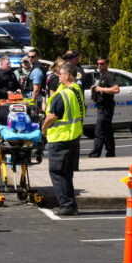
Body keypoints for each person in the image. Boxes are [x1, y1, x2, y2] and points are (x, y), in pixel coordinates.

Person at [42, 63, 86, 216]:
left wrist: (44, 128)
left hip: (60, 137)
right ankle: (70, 204)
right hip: (73, 136)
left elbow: (52, 115)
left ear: (67, 75)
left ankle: (66, 205)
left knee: (58, 172)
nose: (58, 76)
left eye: (60, 73)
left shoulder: (64, 94)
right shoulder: (77, 90)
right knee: (66, 173)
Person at [88, 57, 120, 158]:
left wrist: (101, 89)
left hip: (106, 107)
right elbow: (96, 88)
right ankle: (110, 152)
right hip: (100, 106)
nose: (99, 66)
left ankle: (95, 153)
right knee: (107, 131)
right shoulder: (99, 77)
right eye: (98, 64)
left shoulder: (109, 76)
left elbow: (116, 89)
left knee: (99, 130)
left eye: (102, 64)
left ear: (107, 64)